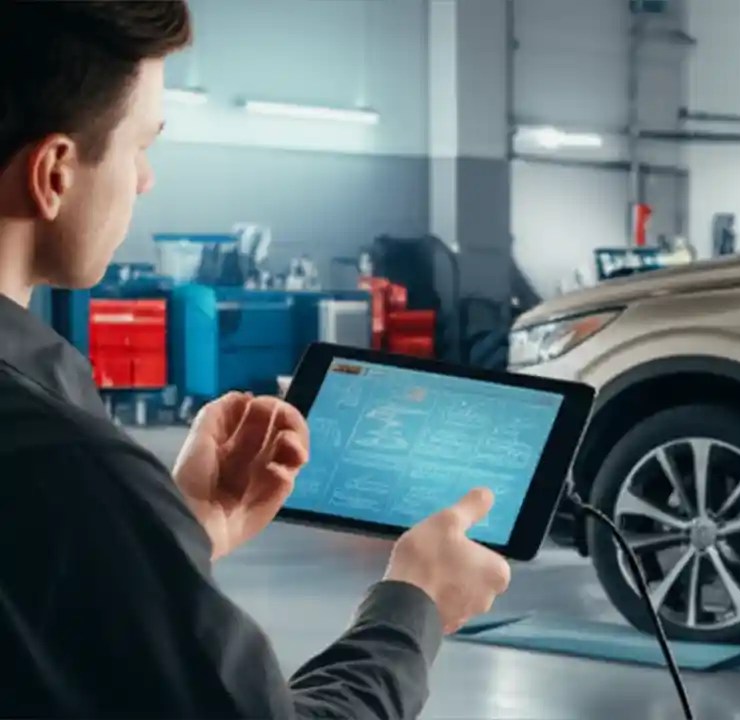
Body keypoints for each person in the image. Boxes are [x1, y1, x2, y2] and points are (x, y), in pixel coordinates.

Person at [0, 2, 511, 718]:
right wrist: (412, 605)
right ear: (53, 172)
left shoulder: (68, 472)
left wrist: (178, 529)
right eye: (141, 146)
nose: (145, 180)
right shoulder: (69, 462)